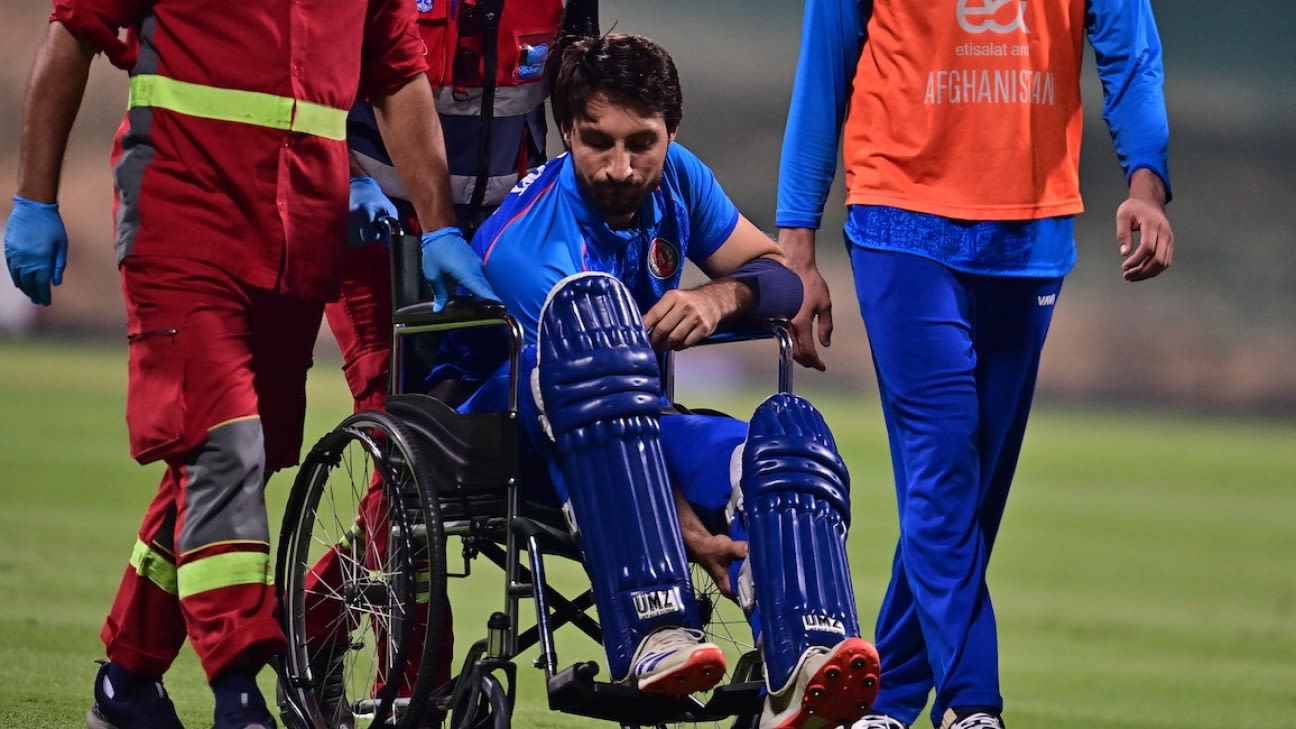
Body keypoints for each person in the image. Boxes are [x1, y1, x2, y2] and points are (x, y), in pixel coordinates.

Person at [1, 0, 492, 726]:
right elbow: (72, 31)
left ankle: (128, 681)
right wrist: (34, 197)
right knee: (224, 448)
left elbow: (398, 80)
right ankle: (239, 695)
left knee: (231, 459)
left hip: (299, 239)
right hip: (180, 220)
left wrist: (440, 227)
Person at [445, 33, 881, 729]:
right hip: (509, 432)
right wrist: (693, 537)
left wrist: (717, 298)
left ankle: (807, 664)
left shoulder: (678, 177)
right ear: (567, 132)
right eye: (598, 142)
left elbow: (778, 278)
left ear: (671, 131)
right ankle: (656, 632)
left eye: (641, 143)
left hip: (633, 417)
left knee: (788, 445)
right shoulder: (533, 246)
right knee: (592, 333)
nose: (620, 167)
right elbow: (587, 408)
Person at [775, 2, 1176, 728]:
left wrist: (1146, 183)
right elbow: (823, 65)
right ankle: (973, 703)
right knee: (944, 462)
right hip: (901, 219)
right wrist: (796, 246)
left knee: (969, 489)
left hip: (1032, 233)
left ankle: (888, 701)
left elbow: (1131, 51)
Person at [287, 3, 598, 727]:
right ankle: (416, 689)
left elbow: (580, 99)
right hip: (375, 228)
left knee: (460, 453)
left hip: (495, 238)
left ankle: (307, 622)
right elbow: (307, 75)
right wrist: (341, 175)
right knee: (401, 439)